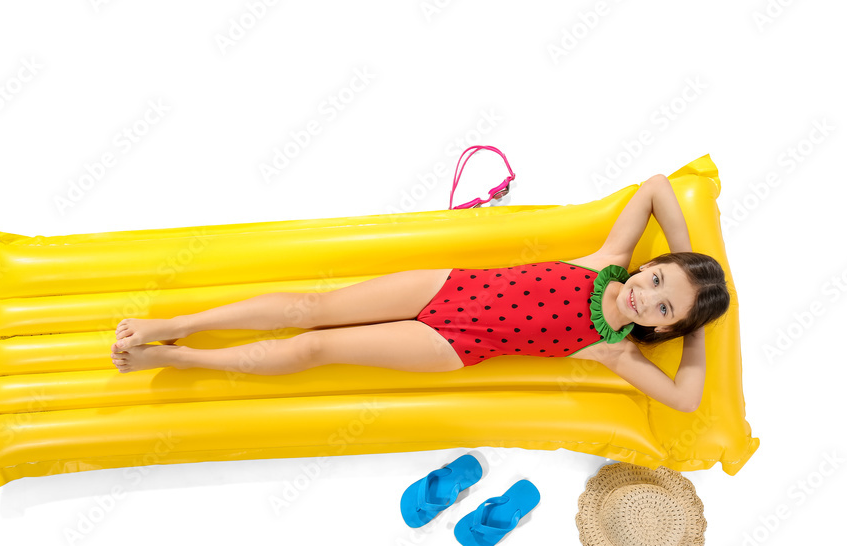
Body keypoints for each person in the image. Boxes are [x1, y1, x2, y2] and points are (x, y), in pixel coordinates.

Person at [110, 174, 730, 413]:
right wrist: (694, 267)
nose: (645, 298)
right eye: (656, 279)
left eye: (663, 308)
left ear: (662, 328)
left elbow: (686, 398)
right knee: (312, 307)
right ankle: (180, 321)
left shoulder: (618, 350)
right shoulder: (607, 262)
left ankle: (174, 356)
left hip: (454, 342)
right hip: (447, 286)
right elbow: (655, 187)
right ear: (650, 265)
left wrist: (690, 326)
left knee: (314, 347)